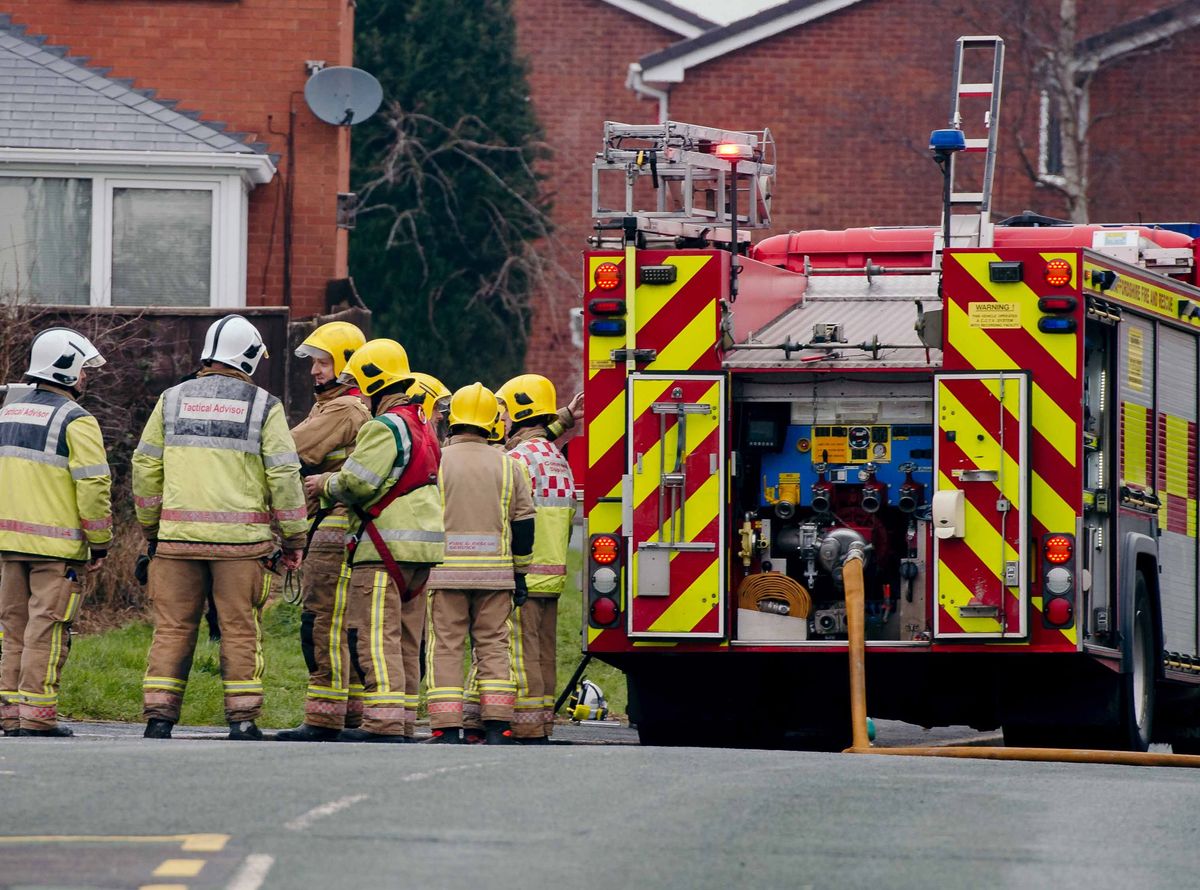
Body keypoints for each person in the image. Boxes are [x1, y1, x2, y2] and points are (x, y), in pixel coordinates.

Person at [133, 315, 307, 741]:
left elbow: (145, 465)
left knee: (172, 628)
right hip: (241, 547)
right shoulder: (264, 406)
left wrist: (153, 529)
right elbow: (283, 475)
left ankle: (159, 718)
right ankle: (242, 720)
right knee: (240, 627)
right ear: (248, 357)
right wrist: (294, 537)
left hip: (175, 543)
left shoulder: (170, 400)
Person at [305, 340, 444, 743]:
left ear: (372, 381)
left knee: (375, 635)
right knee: (405, 638)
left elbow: (357, 482)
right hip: (422, 550)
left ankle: (381, 723)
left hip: (383, 548)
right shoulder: (422, 422)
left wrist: (324, 484)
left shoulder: (384, 427)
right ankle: (401, 720)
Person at [0, 329, 112, 737]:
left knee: (12, 630)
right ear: (65, 368)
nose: (86, 377)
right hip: (56, 549)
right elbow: (94, 486)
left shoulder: (7, 413)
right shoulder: (76, 420)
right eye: (83, 369)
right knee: (46, 630)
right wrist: (100, 541)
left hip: (9, 545)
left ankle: (10, 714)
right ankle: (37, 716)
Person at [424, 383, 535, 744]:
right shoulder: (509, 466)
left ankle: (445, 727)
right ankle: (498, 725)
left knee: (446, 645)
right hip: (495, 577)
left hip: (445, 574)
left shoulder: (436, 461)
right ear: (493, 423)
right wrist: (520, 574)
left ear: (453, 419)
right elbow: (523, 525)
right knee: (493, 647)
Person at [275, 322, 370, 742]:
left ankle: (323, 718)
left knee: (321, 621)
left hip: (330, 529)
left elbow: (284, 449)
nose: (314, 369)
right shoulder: (331, 405)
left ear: (347, 363)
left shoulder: (343, 410)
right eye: (314, 361)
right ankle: (348, 713)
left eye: (323, 360)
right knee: (339, 623)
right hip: (330, 527)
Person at [497, 374, 577, 743]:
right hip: (553, 572)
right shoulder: (557, 459)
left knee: (521, 650)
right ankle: (543, 720)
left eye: (505, 412)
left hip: (525, 572)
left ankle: (526, 725)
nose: (501, 420)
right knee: (544, 651)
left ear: (520, 412)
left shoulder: (516, 460)